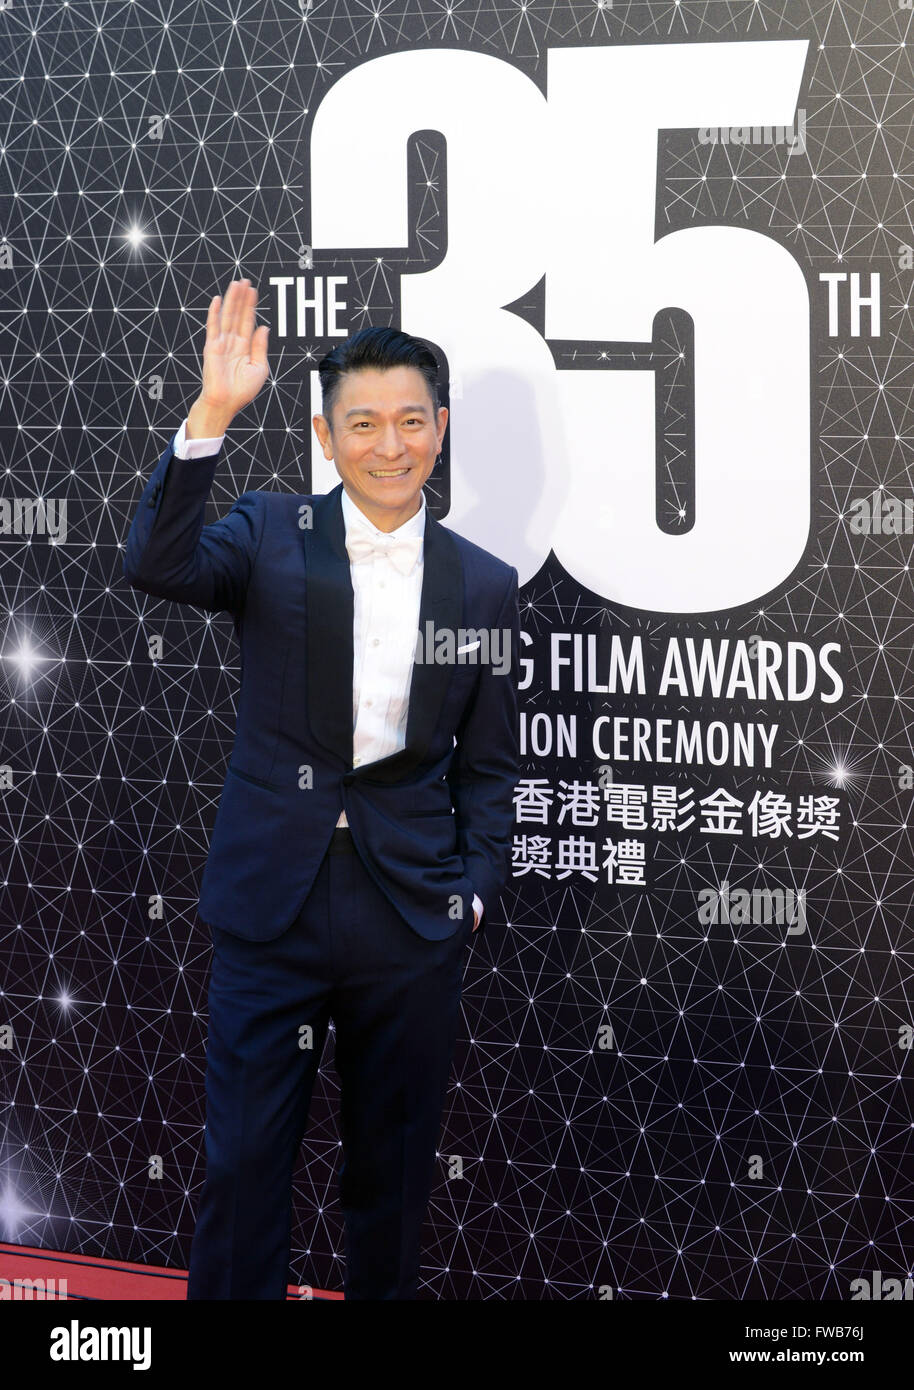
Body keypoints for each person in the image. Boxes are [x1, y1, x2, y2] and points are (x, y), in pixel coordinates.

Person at [123, 277, 520, 1300]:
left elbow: (486, 763)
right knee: (243, 1167)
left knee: (389, 1182)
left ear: (440, 426)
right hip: (272, 913)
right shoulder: (267, 533)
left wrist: (467, 894)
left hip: (410, 921)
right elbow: (155, 562)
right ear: (324, 433)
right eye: (362, 424)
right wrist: (211, 412)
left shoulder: (480, 581)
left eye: (409, 420)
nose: (388, 445)